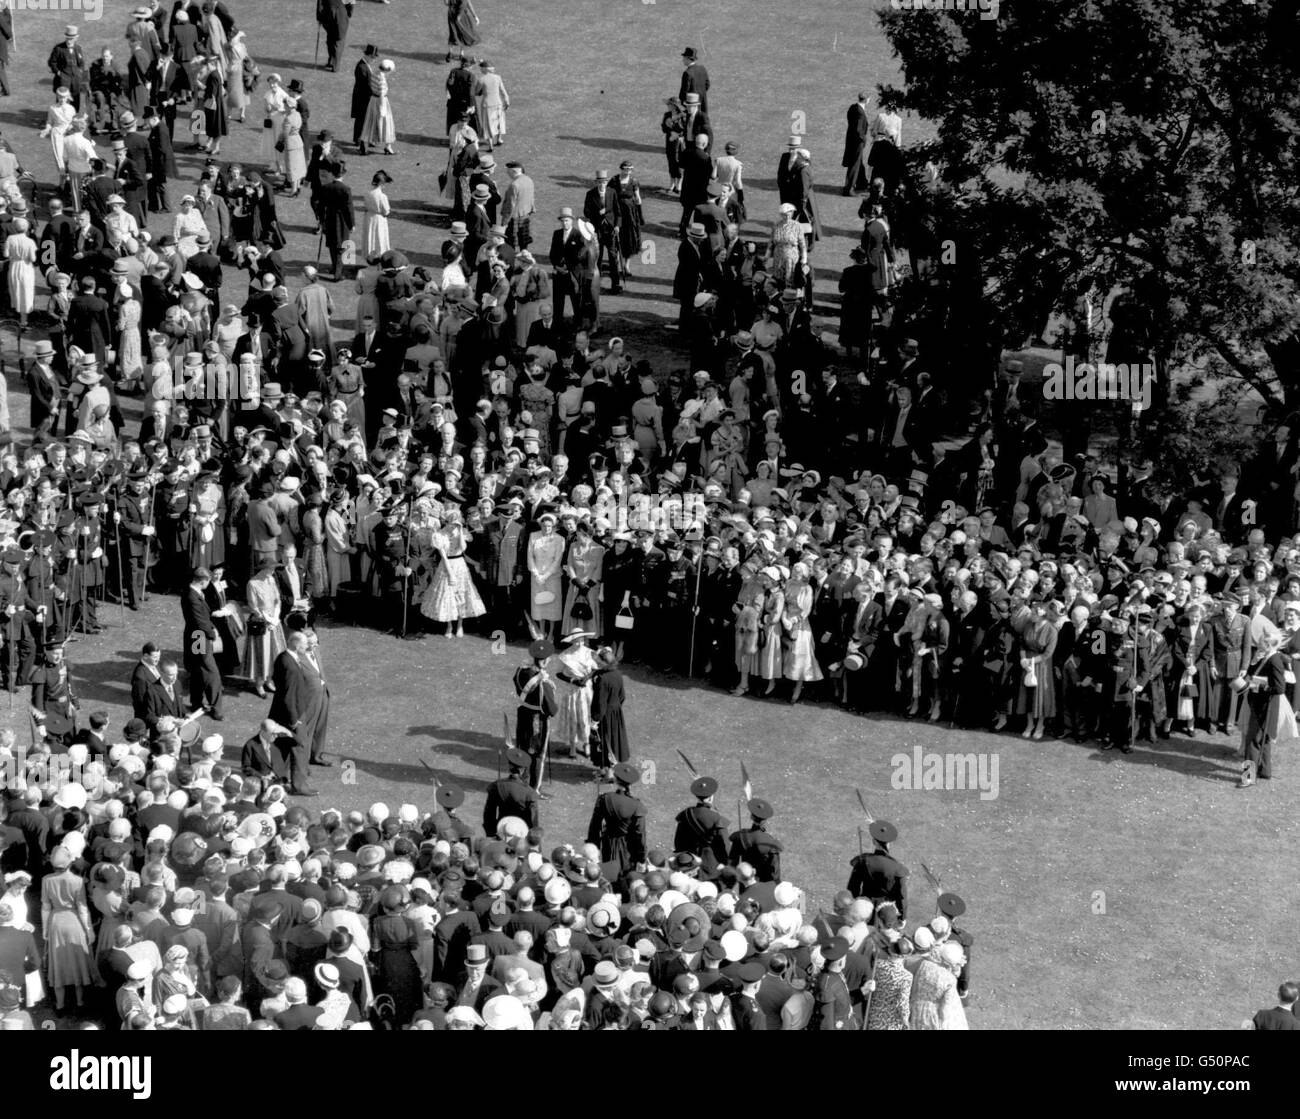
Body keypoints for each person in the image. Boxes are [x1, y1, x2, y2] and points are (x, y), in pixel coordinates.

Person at [585, 762, 646, 878]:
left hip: (608, 842)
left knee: (608, 874)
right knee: (626, 877)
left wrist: (593, 851)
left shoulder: (604, 799)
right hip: (628, 846)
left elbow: (594, 827)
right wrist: (641, 858)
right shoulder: (637, 805)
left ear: (616, 780)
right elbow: (640, 834)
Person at [513, 639, 558, 793]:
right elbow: (552, 709)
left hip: (523, 714)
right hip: (537, 721)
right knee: (537, 755)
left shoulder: (521, 670)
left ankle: (521, 780)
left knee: (523, 748)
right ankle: (534, 788)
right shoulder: (542, 682)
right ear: (545, 661)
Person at [359, 59, 396, 156]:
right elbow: (382, 95)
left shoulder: (375, 73)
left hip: (372, 100)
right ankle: (388, 146)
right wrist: (382, 110)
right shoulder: (382, 79)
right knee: (387, 125)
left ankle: (365, 144)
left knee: (369, 123)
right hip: (380, 102)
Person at [364, 171, 392, 257]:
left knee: (370, 237)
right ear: (381, 183)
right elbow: (386, 211)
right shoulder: (382, 196)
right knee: (380, 238)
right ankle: (380, 257)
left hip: (369, 218)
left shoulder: (368, 193)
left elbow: (366, 206)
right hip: (379, 219)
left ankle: (370, 257)